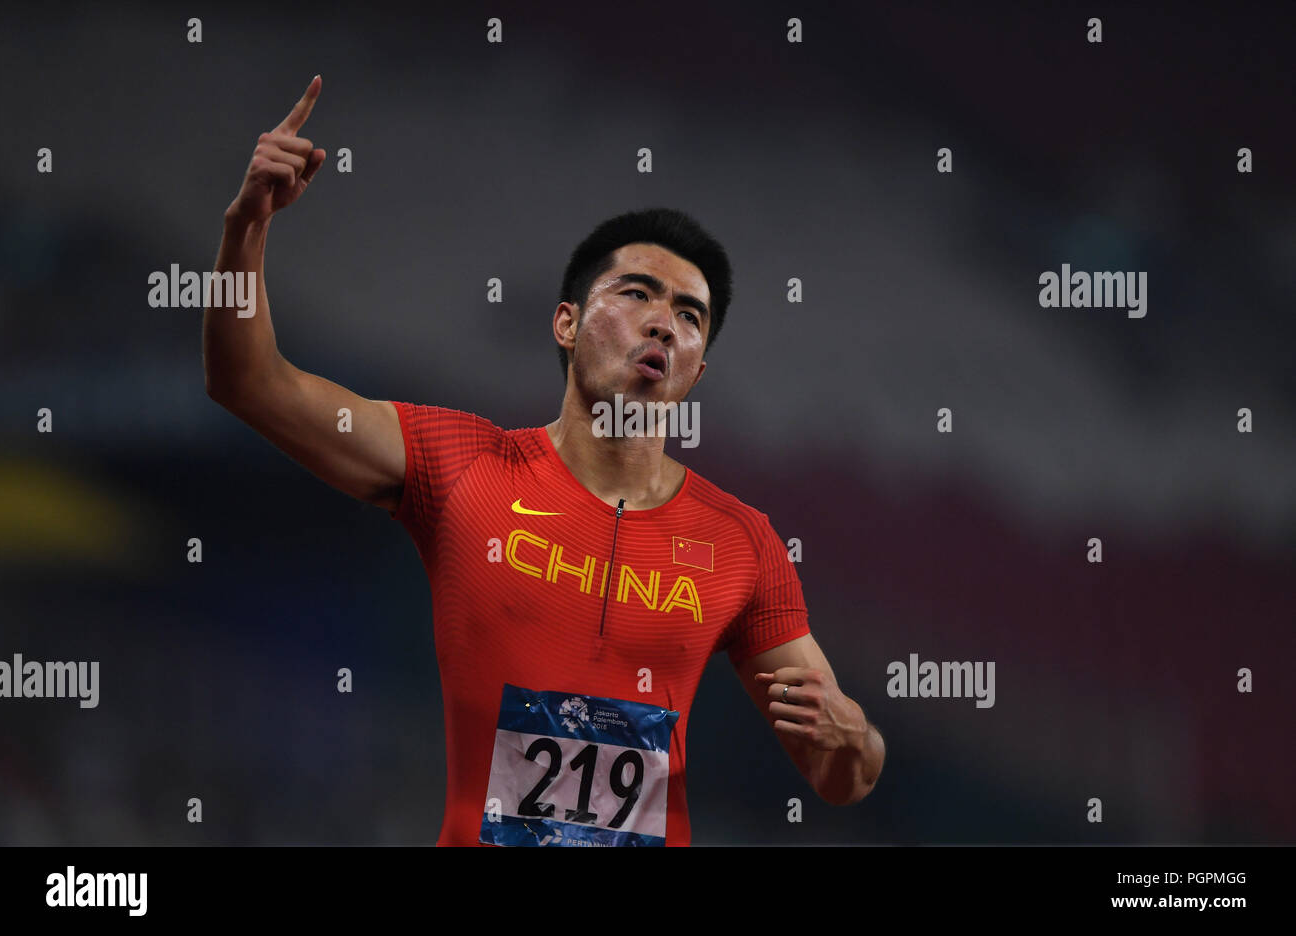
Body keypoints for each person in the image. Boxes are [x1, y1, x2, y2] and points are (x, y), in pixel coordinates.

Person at [203, 76, 885, 846]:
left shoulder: (743, 543)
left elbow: (841, 777)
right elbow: (251, 383)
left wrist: (857, 738)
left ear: (698, 369)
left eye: (689, 316)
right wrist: (247, 227)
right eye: (636, 294)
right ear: (566, 322)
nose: (663, 323)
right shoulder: (460, 465)